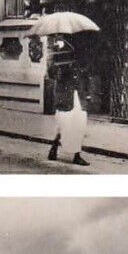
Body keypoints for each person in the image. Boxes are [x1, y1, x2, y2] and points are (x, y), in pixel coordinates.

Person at [46, 37, 89, 166]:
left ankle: (76, 154)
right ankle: (54, 147)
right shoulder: (56, 47)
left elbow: (83, 69)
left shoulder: (78, 47)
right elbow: (52, 72)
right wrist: (61, 69)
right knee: (63, 122)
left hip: (77, 92)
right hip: (64, 93)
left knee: (79, 122)